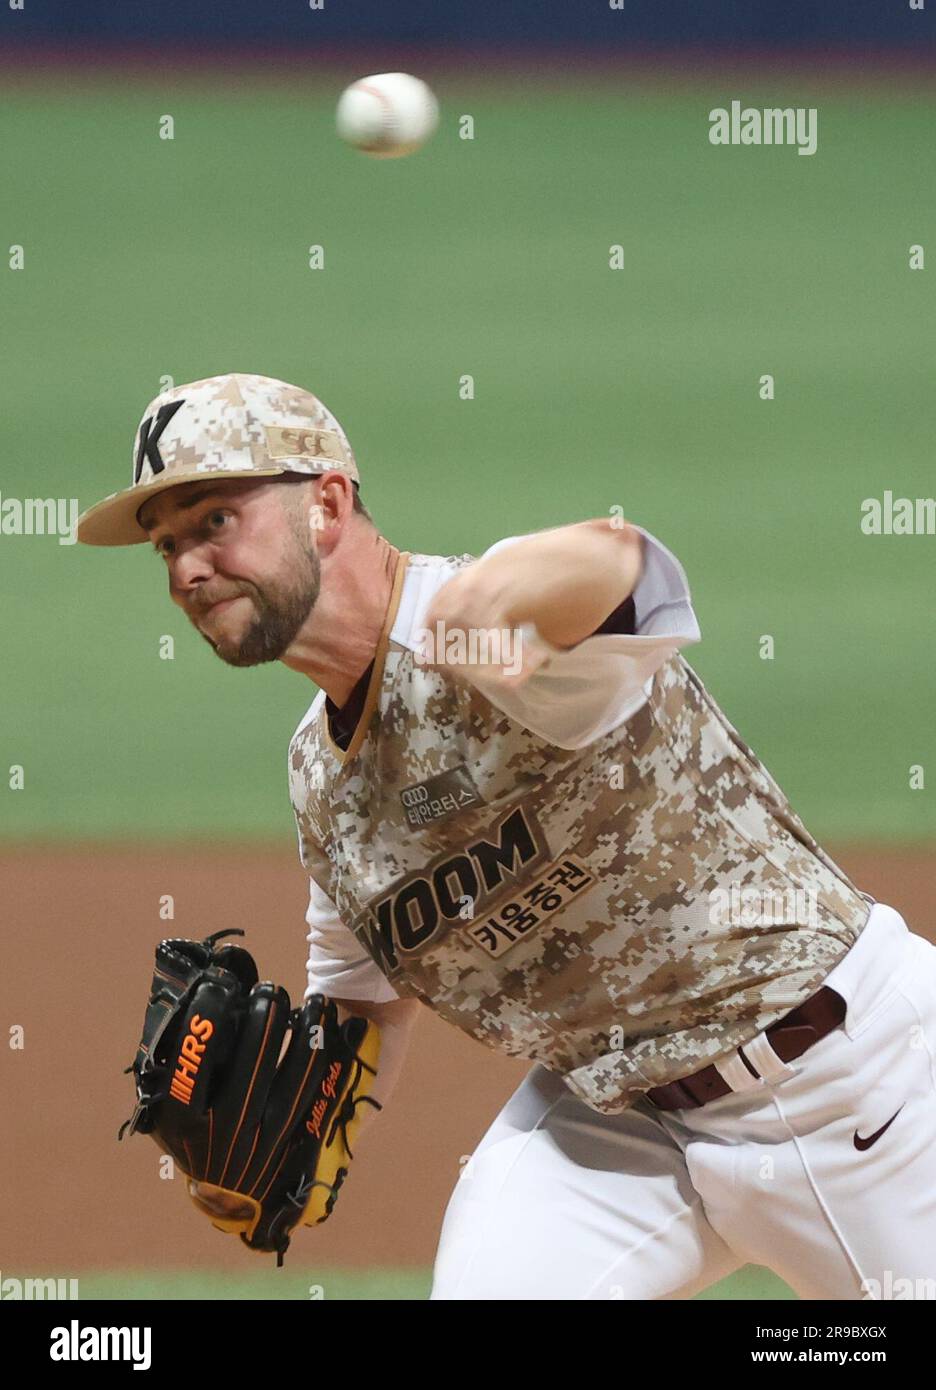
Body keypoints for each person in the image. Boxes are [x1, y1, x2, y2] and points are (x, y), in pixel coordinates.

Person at [78, 372, 936, 1301]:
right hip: (618, 1124)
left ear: (325, 503)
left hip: (851, 1085)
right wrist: (305, 1131)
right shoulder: (319, 779)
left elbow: (633, 574)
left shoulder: (486, 635)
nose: (185, 571)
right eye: (166, 545)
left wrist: (510, 592)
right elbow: (359, 1002)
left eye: (212, 522)